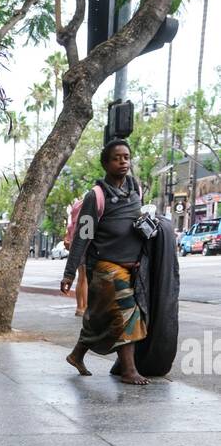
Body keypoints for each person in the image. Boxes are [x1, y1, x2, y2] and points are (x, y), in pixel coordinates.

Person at [61, 140, 150, 386]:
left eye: (126, 157)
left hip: (130, 266)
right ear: (105, 163)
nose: (123, 162)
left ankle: (76, 354)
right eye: (116, 158)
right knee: (126, 311)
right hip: (105, 266)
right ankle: (129, 371)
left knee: (101, 318)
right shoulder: (96, 196)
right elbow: (83, 237)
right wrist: (69, 274)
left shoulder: (136, 190)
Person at [64, 194, 88, 317]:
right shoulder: (87, 205)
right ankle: (84, 307)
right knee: (85, 277)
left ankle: (80, 307)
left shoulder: (75, 208)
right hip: (85, 243)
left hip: (76, 244)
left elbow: (70, 229)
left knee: (81, 277)